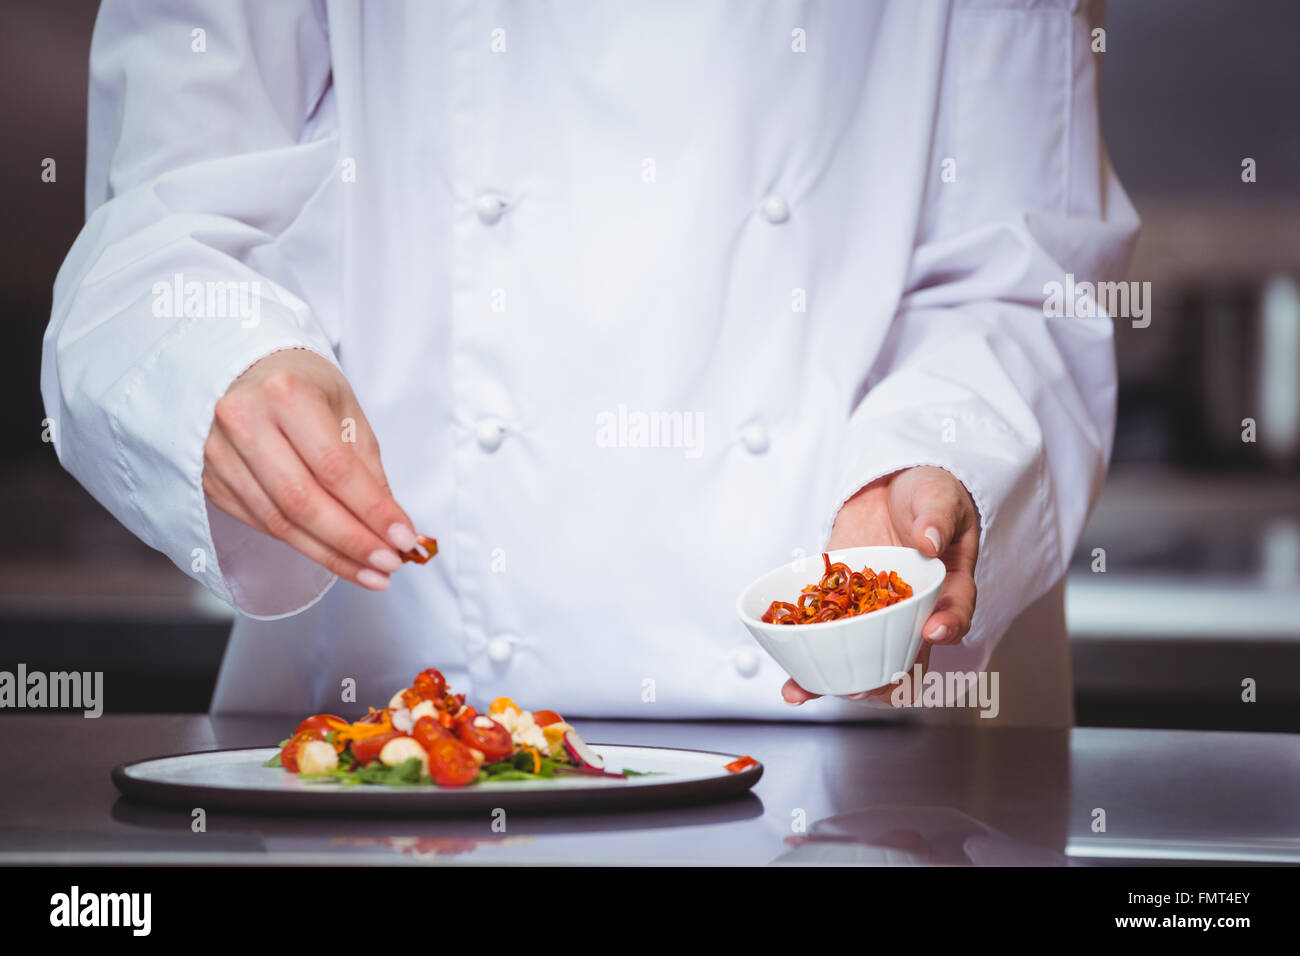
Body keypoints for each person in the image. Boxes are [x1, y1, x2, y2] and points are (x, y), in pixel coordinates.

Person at [43, 0, 1137, 725]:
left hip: (862, 766)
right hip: (403, 737)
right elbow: (150, 232)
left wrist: (934, 456)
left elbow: (1027, 269)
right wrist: (224, 361)